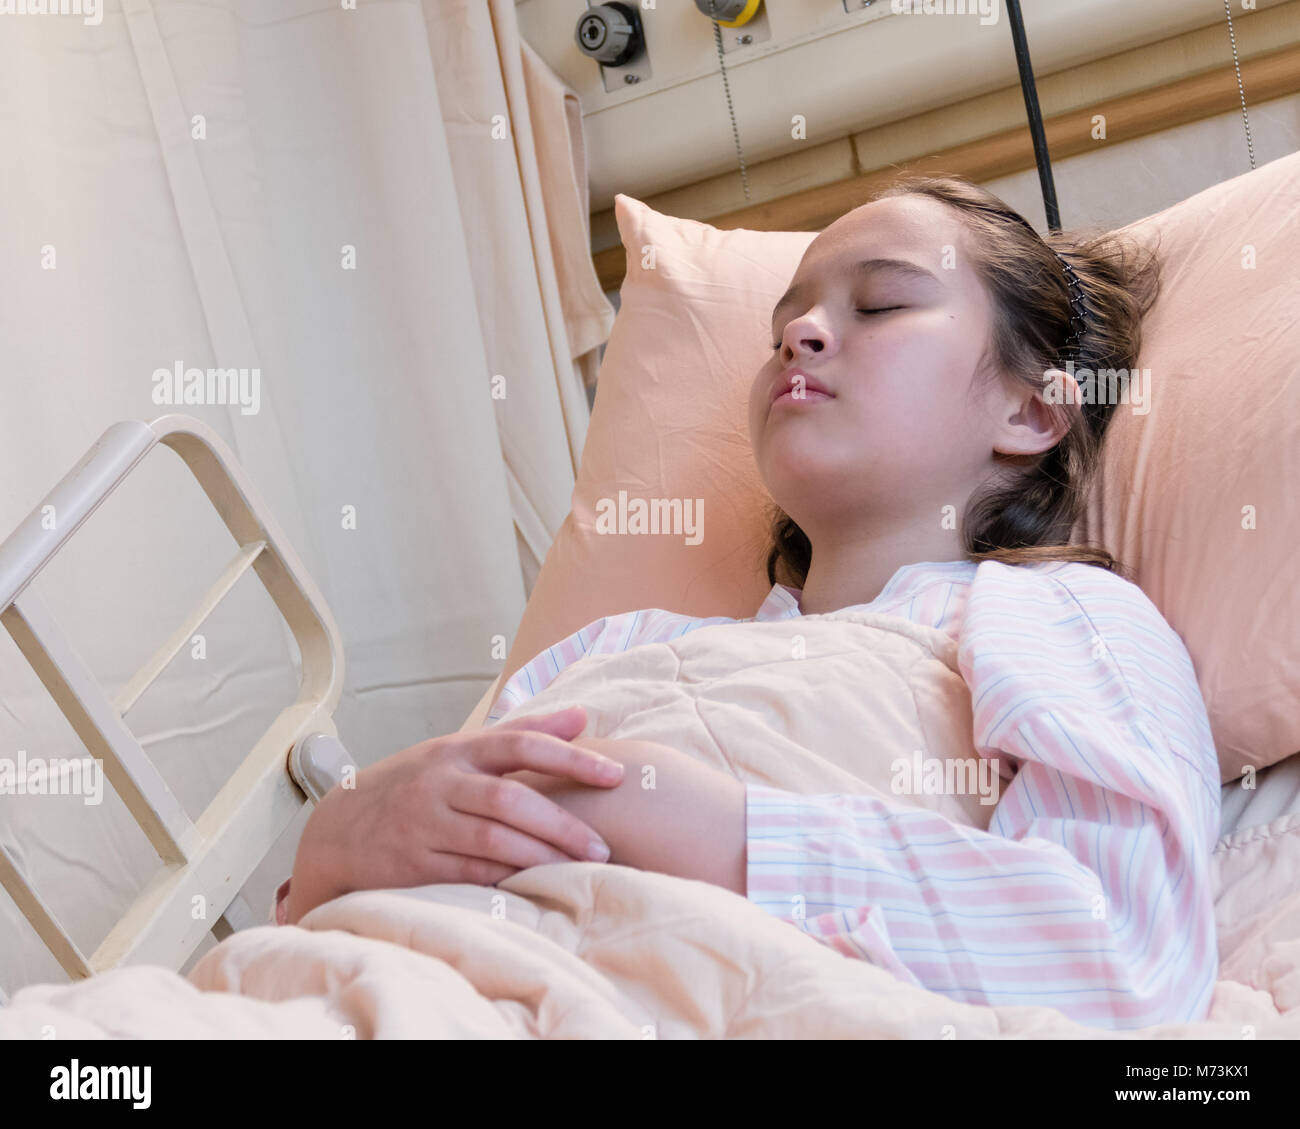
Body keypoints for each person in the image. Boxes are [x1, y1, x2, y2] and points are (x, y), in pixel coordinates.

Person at [278, 176, 1220, 1031]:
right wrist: (334, 842)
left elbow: (1122, 957)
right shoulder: (610, 648)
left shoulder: (1060, 612)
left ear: (1030, 412)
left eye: (882, 303)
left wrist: (713, 830)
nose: (802, 336)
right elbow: (359, 912)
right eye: (785, 327)